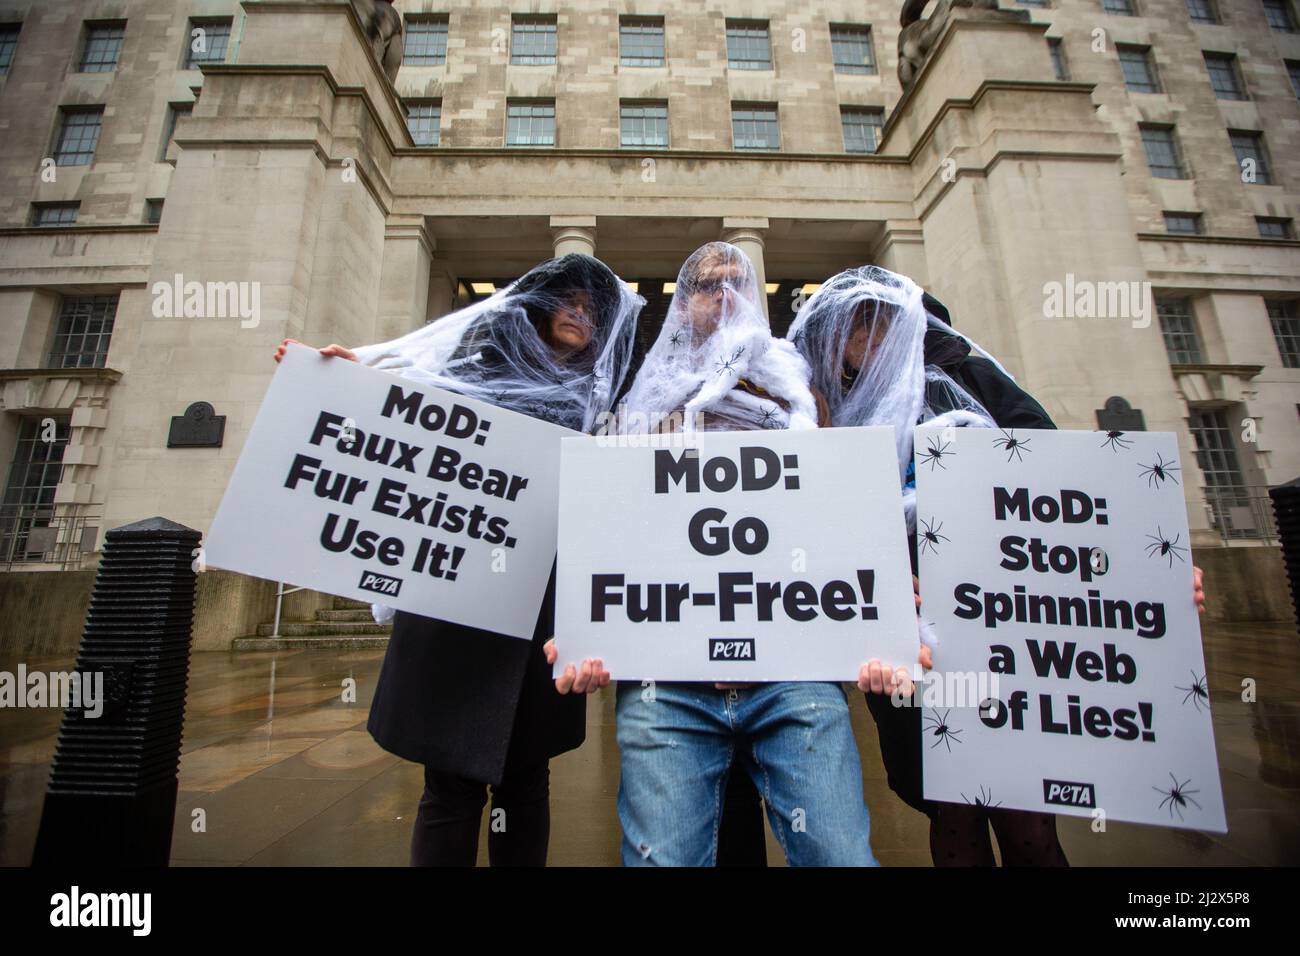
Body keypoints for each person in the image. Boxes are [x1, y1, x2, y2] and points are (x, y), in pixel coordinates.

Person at [787, 264, 1206, 866]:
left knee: (1022, 802)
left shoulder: (967, 376)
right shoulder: (822, 404)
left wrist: (1144, 564)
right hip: (904, 615)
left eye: (880, 322)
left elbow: (1064, 481)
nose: (867, 338)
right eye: (852, 327)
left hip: (1002, 605)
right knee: (948, 800)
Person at [545, 242, 918, 867]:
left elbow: (836, 514)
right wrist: (587, 629)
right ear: (682, 302)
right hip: (666, 682)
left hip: (795, 674)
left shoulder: (805, 392)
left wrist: (880, 602)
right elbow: (610, 526)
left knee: (840, 854)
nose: (722, 295)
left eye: (737, 283)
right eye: (706, 285)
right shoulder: (635, 402)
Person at [273, 254, 642, 865]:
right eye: (570, 300)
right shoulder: (470, 368)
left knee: (526, 779)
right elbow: (393, 407)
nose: (583, 313)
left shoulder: (602, 397)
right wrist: (338, 376)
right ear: (540, 305)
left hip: (542, 610)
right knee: (448, 785)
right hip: (454, 600)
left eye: (594, 308)